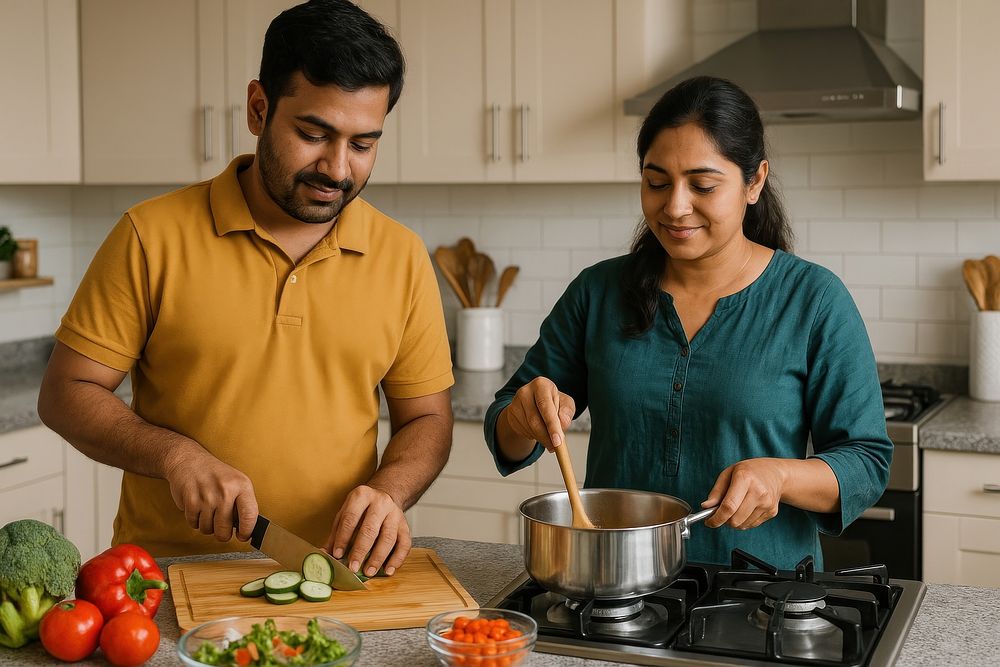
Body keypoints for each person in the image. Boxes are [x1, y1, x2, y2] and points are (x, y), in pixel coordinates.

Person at [37, 0, 454, 578]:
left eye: (362, 145)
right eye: (313, 133)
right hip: (163, 580)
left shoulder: (402, 255)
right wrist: (174, 455)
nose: (336, 168)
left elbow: (427, 420)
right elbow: (65, 393)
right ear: (259, 108)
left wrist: (391, 492)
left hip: (330, 577)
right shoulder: (149, 235)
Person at [484, 76, 892, 569]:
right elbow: (507, 426)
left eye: (702, 185)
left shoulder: (813, 300)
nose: (675, 206)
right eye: (657, 182)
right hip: (616, 586)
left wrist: (780, 477)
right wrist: (522, 416)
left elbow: (866, 461)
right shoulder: (598, 292)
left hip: (761, 596)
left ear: (755, 181)